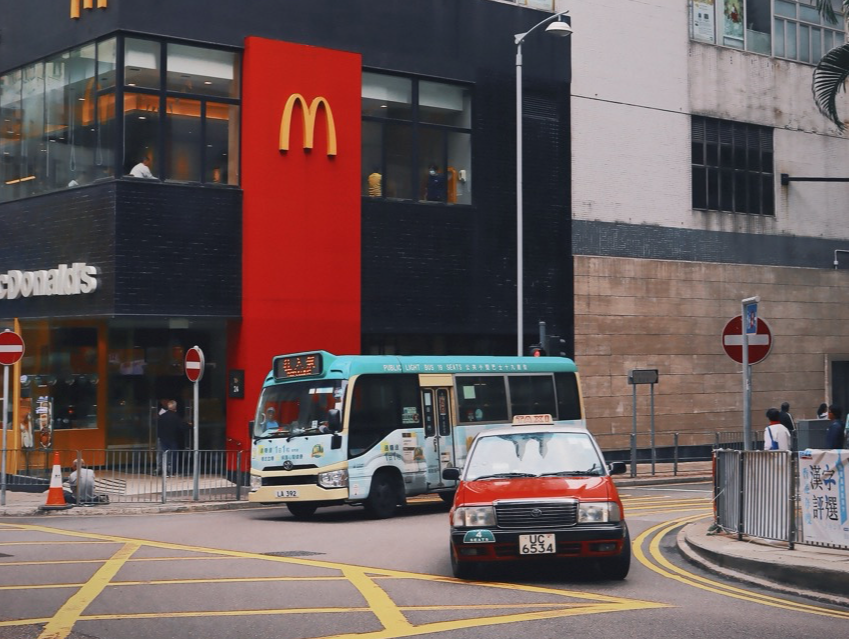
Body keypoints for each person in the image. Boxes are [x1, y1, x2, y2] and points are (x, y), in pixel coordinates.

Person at [158, 400, 189, 475]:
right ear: (175, 407)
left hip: (163, 438)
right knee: (173, 455)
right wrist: (189, 425)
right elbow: (182, 427)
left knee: (164, 454)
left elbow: (159, 427)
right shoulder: (176, 417)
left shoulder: (162, 416)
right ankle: (172, 471)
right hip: (173, 438)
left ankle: (163, 470)